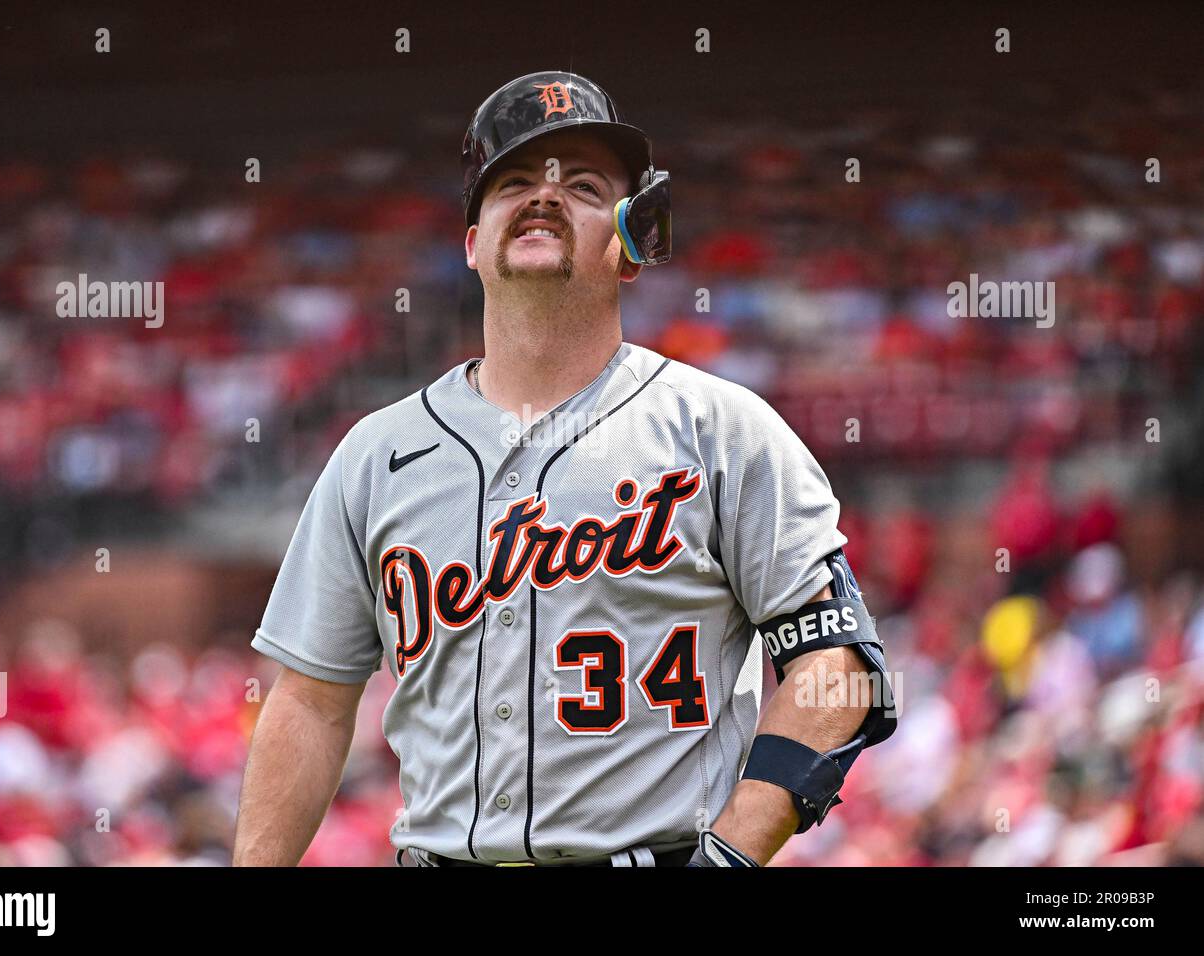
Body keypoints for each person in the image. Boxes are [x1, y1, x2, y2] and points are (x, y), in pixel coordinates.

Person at [234, 70, 895, 867]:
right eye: (513, 181)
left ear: (633, 240)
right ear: (473, 243)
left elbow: (838, 667)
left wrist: (733, 852)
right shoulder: (374, 456)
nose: (544, 195)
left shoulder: (722, 430)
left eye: (581, 184)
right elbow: (309, 702)